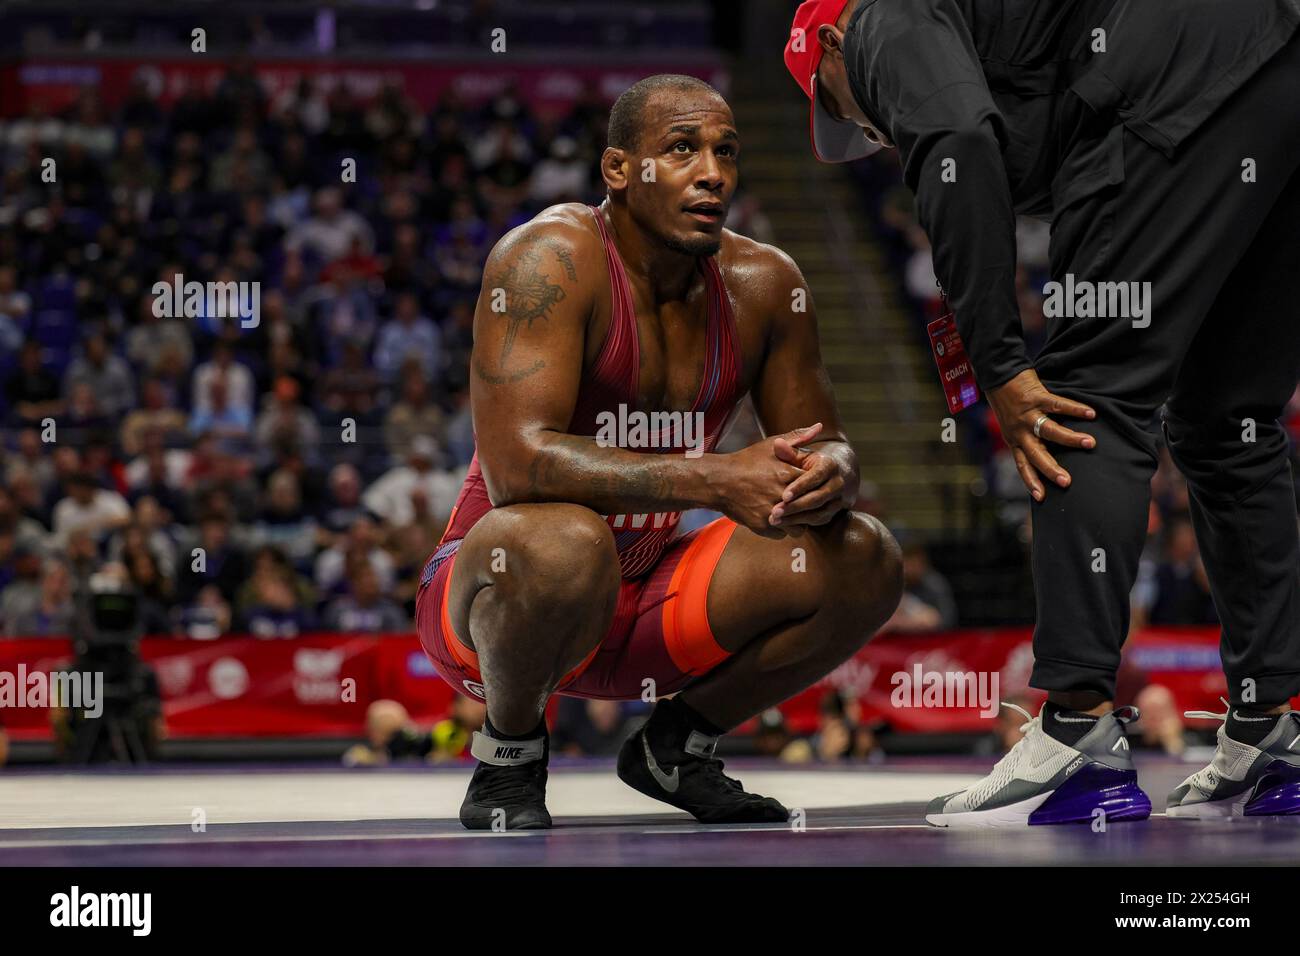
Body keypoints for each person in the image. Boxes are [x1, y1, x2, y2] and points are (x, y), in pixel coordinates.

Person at [784, 0, 1300, 825]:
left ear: (834, 47)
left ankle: (1077, 732)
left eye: (841, 106)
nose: (872, 134)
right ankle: (1274, 726)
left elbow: (955, 141)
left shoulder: (875, 20)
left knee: (1081, 397)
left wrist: (1000, 369)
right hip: (1275, 64)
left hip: (1179, 76)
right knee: (1228, 419)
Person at [414, 73, 902, 830]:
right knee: (561, 542)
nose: (713, 172)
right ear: (618, 171)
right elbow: (515, 470)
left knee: (862, 553)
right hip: (497, 609)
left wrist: (832, 473)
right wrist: (711, 479)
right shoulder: (547, 260)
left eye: (726, 152)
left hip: (643, 606)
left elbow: (824, 443)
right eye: (682, 149)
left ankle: (676, 746)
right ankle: (509, 756)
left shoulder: (765, 283)